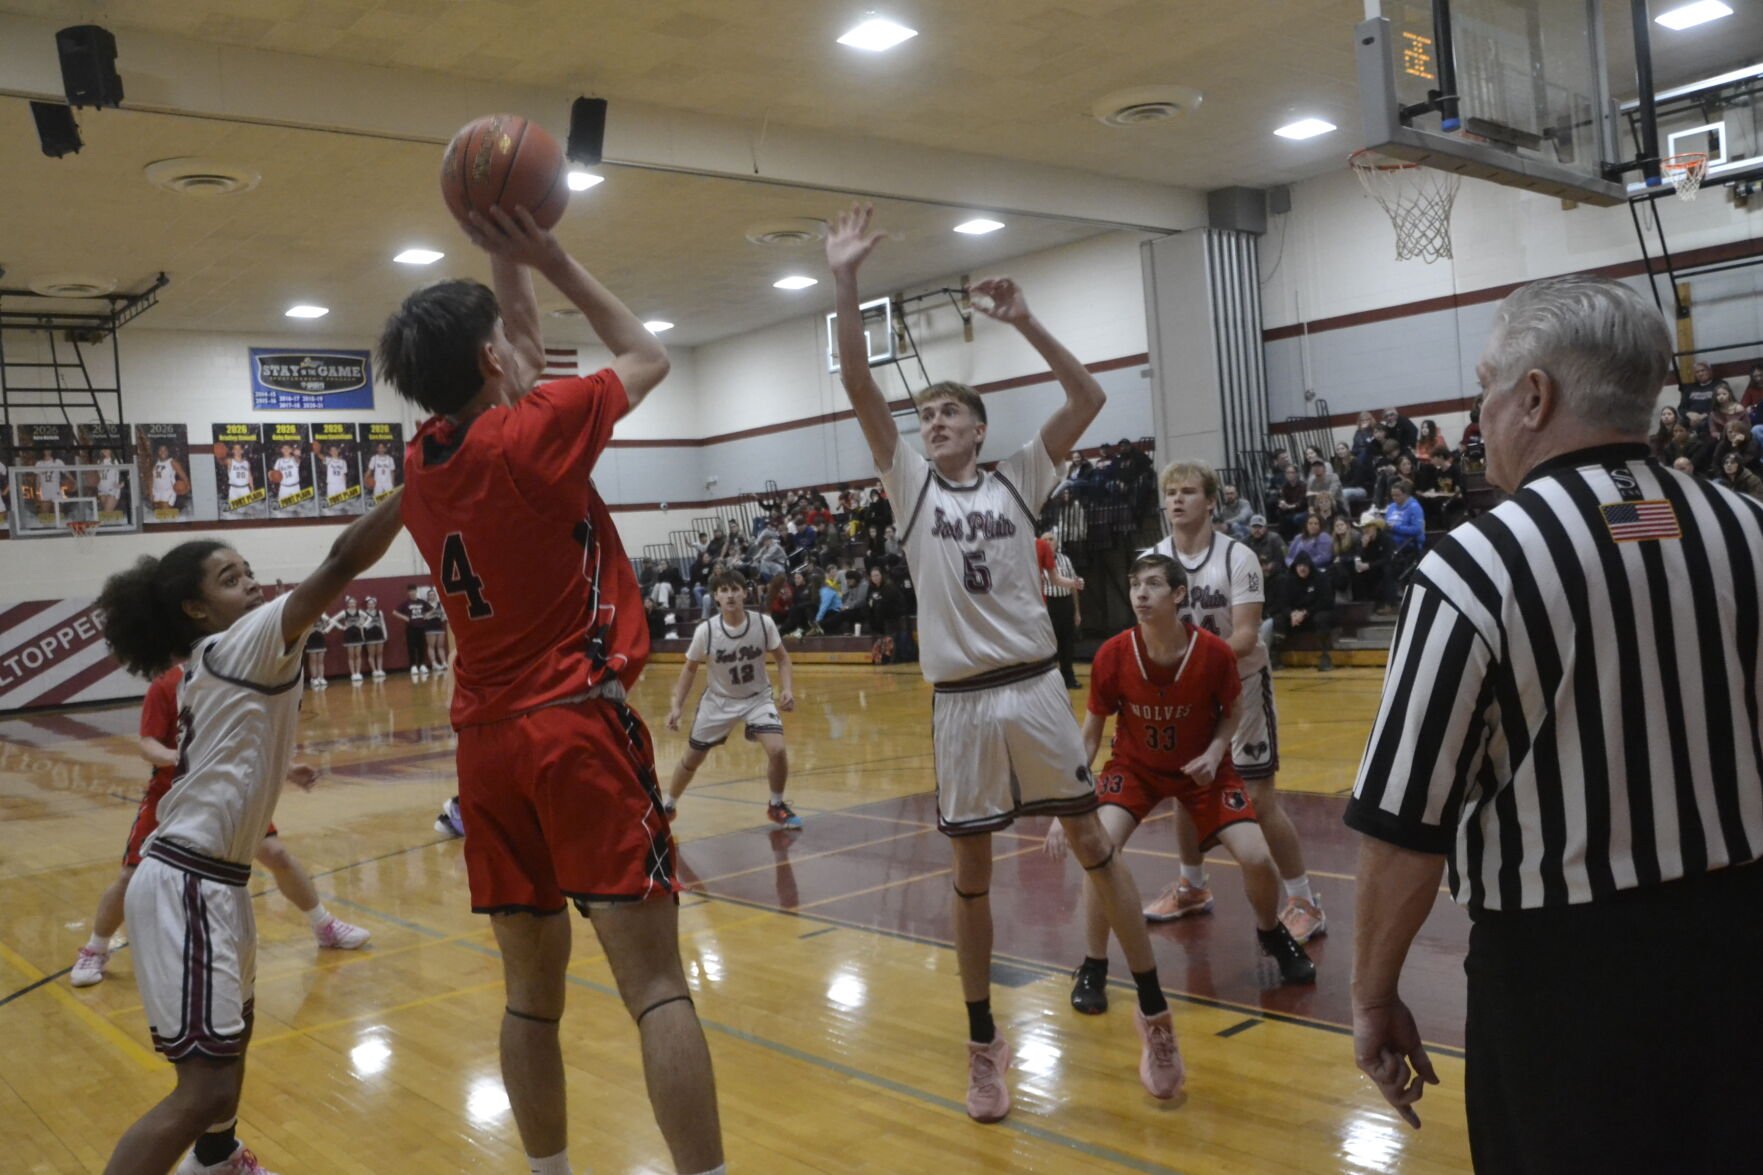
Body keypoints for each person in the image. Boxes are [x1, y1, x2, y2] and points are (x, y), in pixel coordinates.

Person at [1348, 274, 1763, 1173]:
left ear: (1533, 397)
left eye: (1484, 390)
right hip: (1744, 948)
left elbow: (1400, 830)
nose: (1478, 418)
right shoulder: (1750, 530)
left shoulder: (1474, 567)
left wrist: (1372, 993)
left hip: (1565, 987)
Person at [382, 203, 722, 1175]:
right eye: (501, 343)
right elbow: (645, 354)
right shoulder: (537, 437)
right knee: (655, 984)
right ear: (492, 362)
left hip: (483, 746)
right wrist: (550, 254)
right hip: (573, 724)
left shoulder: (421, 466)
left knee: (529, 997)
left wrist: (499, 254)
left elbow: (517, 355)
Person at [827, 202, 1182, 1119]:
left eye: (949, 411)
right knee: (971, 878)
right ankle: (983, 1044)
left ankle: (1154, 1014)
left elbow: (1089, 398)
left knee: (1092, 848)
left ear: (979, 429)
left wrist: (1025, 320)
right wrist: (845, 280)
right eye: (927, 413)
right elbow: (865, 389)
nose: (932, 419)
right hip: (960, 706)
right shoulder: (906, 483)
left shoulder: (1018, 476)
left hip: (1031, 691)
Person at [93, 489, 403, 1175]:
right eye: (229, 578)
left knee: (225, 1073)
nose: (251, 582)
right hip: (189, 880)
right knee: (201, 1091)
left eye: (247, 570)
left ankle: (216, 1159)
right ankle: (208, 1148)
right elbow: (344, 558)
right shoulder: (243, 639)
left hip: (218, 881)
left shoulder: (215, 657)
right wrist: (423, 482)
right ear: (197, 609)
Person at [1045, 553, 1315, 1002]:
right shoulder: (1113, 654)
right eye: (1135, 585)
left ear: (1178, 594)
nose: (1141, 594)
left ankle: (1271, 933)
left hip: (1203, 771)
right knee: (1101, 854)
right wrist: (1068, 807)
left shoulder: (1212, 651)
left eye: (1152, 584)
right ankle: (1093, 964)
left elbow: (1233, 713)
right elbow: (1089, 738)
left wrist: (1214, 750)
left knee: (1256, 858)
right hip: (1136, 770)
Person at [70, 661, 372, 990]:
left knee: (277, 854)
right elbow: (147, 744)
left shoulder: (231, 677)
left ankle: (324, 927)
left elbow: (249, 739)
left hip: (226, 791)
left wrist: (286, 768)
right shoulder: (165, 683)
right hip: (172, 796)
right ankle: (95, 949)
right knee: (130, 877)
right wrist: (176, 756)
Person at [1145, 461, 1325, 942]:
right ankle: (1193, 886)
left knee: (1259, 802)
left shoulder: (1237, 557)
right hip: (1185, 697)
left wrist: (1192, 662)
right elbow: (1146, 634)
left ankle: (1305, 898)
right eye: (1171, 492)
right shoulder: (1153, 559)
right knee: (1186, 793)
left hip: (1239, 691)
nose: (1177, 499)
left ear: (1210, 501)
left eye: (1188, 491)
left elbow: (1245, 635)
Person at [663, 571, 800, 827]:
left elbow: (782, 658)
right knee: (692, 759)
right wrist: (676, 706)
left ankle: (776, 804)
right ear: (716, 597)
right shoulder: (706, 631)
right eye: (724, 590)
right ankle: (668, 805)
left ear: (744, 593)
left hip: (757, 698)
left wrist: (787, 689)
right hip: (719, 701)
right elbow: (690, 669)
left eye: (735, 589)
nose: (730, 595)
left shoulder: (762, 624)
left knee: (778, 750)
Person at [1037, 528, 1085, 688]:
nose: (1048, 542)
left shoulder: (1065, 559)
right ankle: (1051, 681)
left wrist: (1077, 611)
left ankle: (1069, 677)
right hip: (1049, 603)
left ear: (1057, 543)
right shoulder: (1037, 559)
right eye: (1045, 539)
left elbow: (1073, 586)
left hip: (1066, 603)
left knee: (1067, 643)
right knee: (1051, 643)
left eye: (1051, 539)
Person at [1272, 553, 1335, 672]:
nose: (1302, 568)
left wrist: (1305, 613)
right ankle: (1275, 655)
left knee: (1322, 618)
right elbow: (1282, 604)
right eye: (1299, 565)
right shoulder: (1287, 581)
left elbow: (1327, 602)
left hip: (1313, 614)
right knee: (1278, 619)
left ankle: (1325, 656)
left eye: (1305, 565)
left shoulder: (1321, 578)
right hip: (1295, 618)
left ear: (1310, 566)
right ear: (1295, 567)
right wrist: (1291, 614)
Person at [1676, 357, 1728, 431]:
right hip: (1691, 420)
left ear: (1709, 371)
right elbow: (1681, 408)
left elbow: (1724, 405)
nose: (1700, 373)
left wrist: (1703, 416)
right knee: (1678, 427)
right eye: (1697, 372)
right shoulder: (1690, 388)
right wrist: (1689, 414)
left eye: (1703, 370)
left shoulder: (1720, 384)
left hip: (1711, 418)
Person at [394, 584, 430, 677]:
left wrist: (426, 615)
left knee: (422, 646)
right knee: (412, 647)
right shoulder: (406, 603)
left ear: (416, 591)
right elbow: (394, 612)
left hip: (421, 627)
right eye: (410, 591)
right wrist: (404, 617)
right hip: (411, 628)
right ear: (408, 593)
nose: (412, 592)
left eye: (414, 591)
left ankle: (422, 664)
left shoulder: (422, 602)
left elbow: (432, 610)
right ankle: (413, 666)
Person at [334, 595, 367, 683]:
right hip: (349, 636)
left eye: (353, 602)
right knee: (351, 656)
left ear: (356, 603)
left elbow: (369, 618)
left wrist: (363, 625)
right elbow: (333, 620)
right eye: (350, 603)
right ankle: (353, 673)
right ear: (347, 604)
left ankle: (358, 672)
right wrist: (342, 627)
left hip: (357, 635)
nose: (352, 604)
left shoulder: (359, 612)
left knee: (358, 655)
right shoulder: (344, 612)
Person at [360, 596, 388, 679]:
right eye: (369, 604)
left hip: (379, 635)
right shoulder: (363, 613)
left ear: (375, 604)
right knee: (371, 654)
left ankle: (380, 669)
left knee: (379, 653)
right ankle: (374, 670)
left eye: (372, 604)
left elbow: (383, 623)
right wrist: (362, 636)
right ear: (367, 605)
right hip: (369, 635)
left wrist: (385, 634)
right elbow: (361, 626)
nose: (371, 605)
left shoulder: (379, 612)